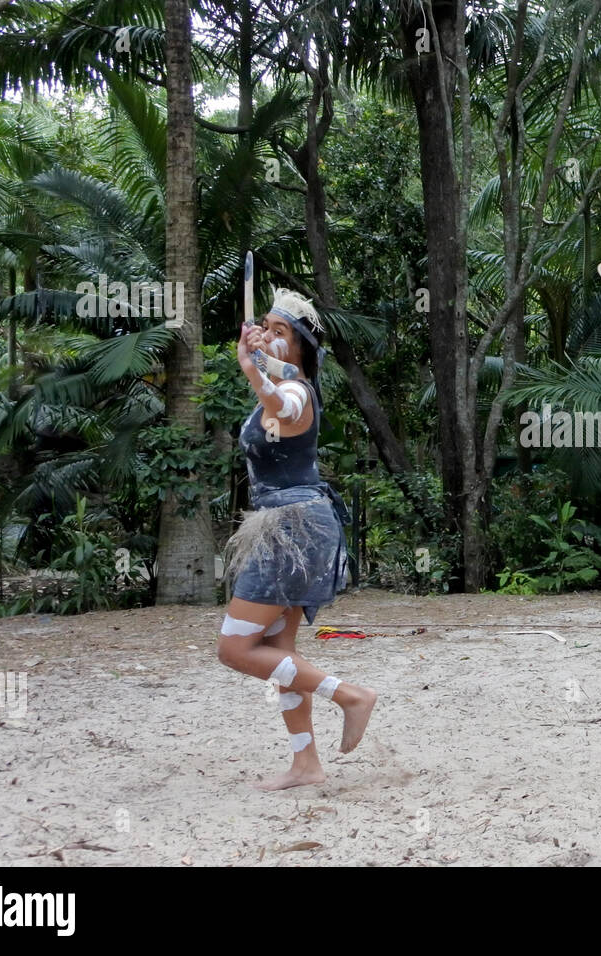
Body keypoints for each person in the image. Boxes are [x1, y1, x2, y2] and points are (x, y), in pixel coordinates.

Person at [216, 288, 377, 789]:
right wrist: (258, 362)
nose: (267, 335)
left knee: (235, 648)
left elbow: (282, 405)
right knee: (279, 650)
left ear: (303, 347)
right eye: (265, 325)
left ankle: (349, 694)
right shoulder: (278, 383)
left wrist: (252, 367)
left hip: (295, 528)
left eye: (280, 331)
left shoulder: (297, 391)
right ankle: (306, 763)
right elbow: (271, 395)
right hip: (289, 527)